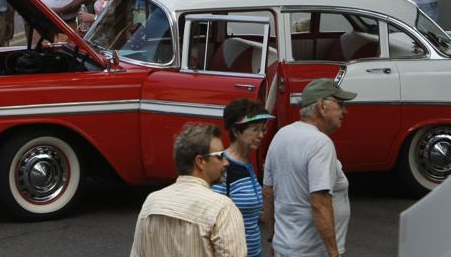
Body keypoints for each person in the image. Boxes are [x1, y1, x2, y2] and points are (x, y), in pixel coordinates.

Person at [262, 78, 354, 257]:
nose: (345, 111)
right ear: (321, 105)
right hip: (312, 252)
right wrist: (334, 253)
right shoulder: (321, 143)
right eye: (340, 104)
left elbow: (268, 192)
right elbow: (319, 203)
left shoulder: (282, 135)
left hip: (284, 247)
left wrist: (274, 238)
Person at [130, 123, 247, 257]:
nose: (226, 162)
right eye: (220, 155)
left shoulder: (151, 202)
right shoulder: (223, 208)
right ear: (200, 161)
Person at [212, 100, 273, 257]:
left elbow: (251, 212)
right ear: (236, 131)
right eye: (254, 130)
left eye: (263, 129)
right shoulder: (222, 166)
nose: (260, 135)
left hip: (254, 252)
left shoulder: (247, 163)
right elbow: (211, 217)